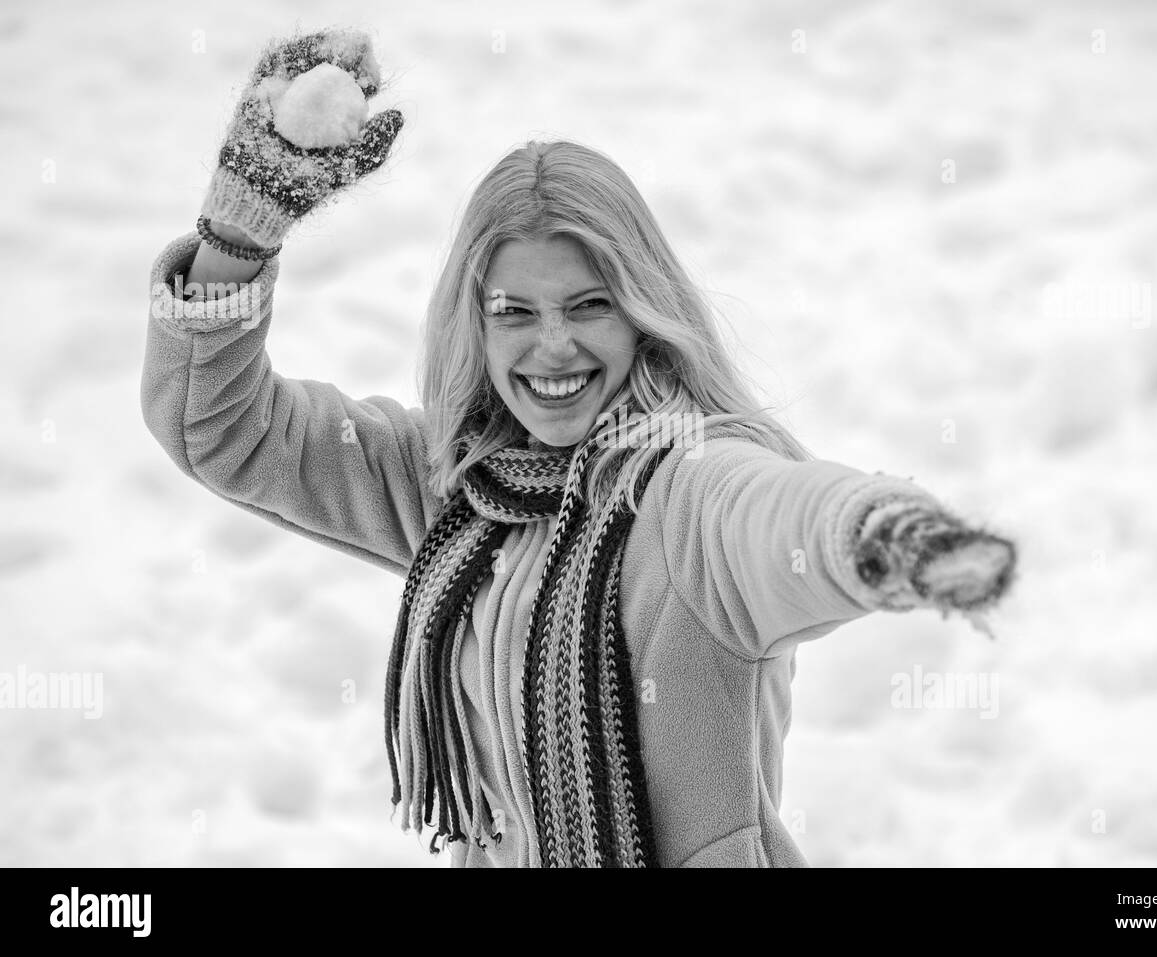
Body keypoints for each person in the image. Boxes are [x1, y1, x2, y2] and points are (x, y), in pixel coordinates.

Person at [142, 29, 1017, 868]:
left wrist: (889, 536)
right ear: (473, 323)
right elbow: (226, 430)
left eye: (589, 306)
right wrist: (238, 237)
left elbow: (784, 514)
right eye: (514, 312)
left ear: (642, 307)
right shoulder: (456, 488)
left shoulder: (691, 485)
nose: (551, 348)